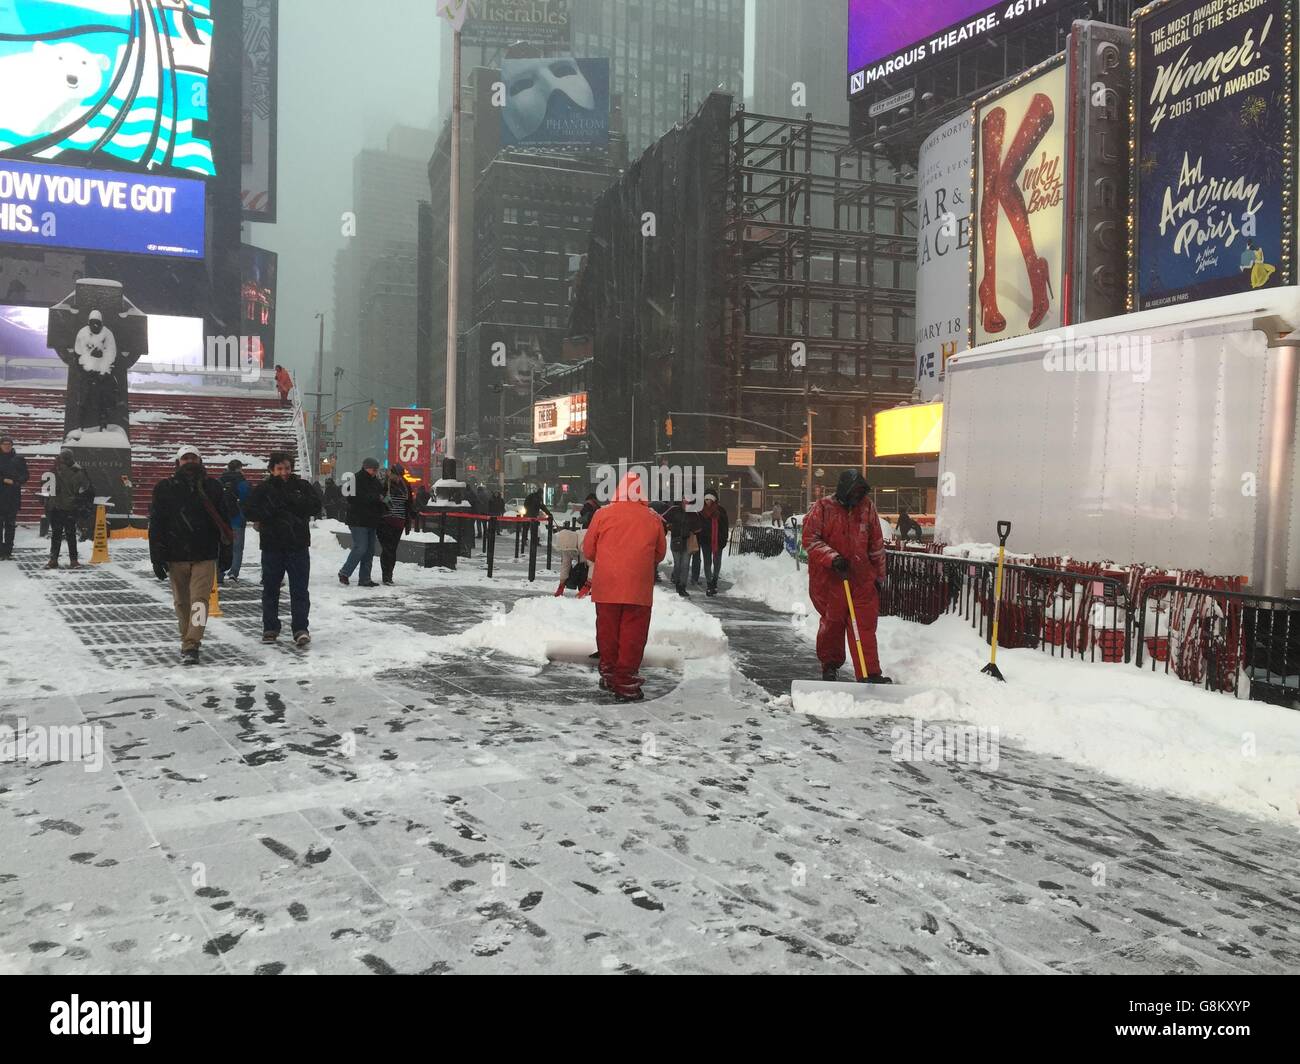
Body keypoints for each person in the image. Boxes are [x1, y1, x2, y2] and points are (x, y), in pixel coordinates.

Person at [583, 472, 667, 703]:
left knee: (608, 630)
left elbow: (588, 550)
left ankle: (609, 673)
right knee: (633, 633)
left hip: (607, 585)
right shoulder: (653, 518)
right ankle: (626, 680)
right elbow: (660, 554)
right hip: (638, 586)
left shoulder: (602, 514)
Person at [802, 469, 890, 684]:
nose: (857, 498)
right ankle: (830, 665)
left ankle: (869, 672)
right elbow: (810, 540)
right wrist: (832, 558)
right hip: (831, 579)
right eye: (854, 493)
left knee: (864, 625)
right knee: (832, 624)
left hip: (861, 579)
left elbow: (876, 544)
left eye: (861, 493)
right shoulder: (823, 508)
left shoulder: (867, 507)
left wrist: (879, 577)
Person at [148, 446, 233, 665]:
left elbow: (223, 521)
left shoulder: (212, 487)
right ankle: (186, 637)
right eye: (185, 458)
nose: (189, 461)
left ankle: (192, 643)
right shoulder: (165, 488)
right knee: (181, 602)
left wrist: (226, 551)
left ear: (200, 460)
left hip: (204, 553)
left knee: (200, 602)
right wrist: (156, 555)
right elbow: (156, 523)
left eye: (193, 458)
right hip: (176, 554)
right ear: (178, 463)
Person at [244, 451, 321, 646]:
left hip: (298, 545)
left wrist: (296, 503)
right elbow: (249, 511)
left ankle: (301, 628)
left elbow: (316, 506)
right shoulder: (264, 489)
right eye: (279, 469)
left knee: (300, 590)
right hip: (272, 546)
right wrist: (270, 510)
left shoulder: (301, 487)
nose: (284, 472)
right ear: (272, 470)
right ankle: (270, 627)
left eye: (287, 468)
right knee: (270, 589)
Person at [339, 458, 385, 587]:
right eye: (373, 469)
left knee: (369, 550)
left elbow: (380, 496)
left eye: (376, 469)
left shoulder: (375, 481)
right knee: (361, 547)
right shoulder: (356, 479)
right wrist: (376, 498)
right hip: (358, 520)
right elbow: (353, 498)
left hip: (370, 519)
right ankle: (345, 572)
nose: (375, 471)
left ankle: (365, 578)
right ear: (366, 467)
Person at [45, 450, 92, 570]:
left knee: (68, 534)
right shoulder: (55, 469)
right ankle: (57, 559)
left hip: (68, 507)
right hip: (58, 506)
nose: (64, 460)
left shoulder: (77, 471)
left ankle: (69, 559)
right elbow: (47, 485)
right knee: (60, 534)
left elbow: (86, 488)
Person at [74, 310, 118, 432]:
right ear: (89, 323)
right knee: (83, 401)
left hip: (102, 375)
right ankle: (80, 426)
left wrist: (103, 371)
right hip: (87, 374)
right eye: (93, 323)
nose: (95, 326)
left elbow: (111, 355)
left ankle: (103, 425)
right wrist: (87, 368)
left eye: (98, 323)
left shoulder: (107, 334)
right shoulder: (82, 334)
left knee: (104, 400)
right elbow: (79, 354)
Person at [377, 463, 414, 586]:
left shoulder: (405, 485)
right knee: (387, 549)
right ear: (391, 474)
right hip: (385, 522)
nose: (398, 478)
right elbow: (377, 500)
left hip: (399, 522)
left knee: (392, 549)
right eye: (396, 475)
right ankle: (386, 576)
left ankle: (389, 574)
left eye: (400, 476)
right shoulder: (384, 484)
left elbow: (408, 504)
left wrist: (412, 515)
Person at [661, 496, 703, 597]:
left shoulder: (693, 513)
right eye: (685, 500)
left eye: (688, 500)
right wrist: (669, 527)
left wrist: (692, 530)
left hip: (687, 542)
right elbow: (662, 519)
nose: (686, 502)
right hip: (676, 541)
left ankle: (682, 586)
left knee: (685, 565)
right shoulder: (674, 510)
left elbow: (699, 528)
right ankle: (676, 581)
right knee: (678, 564)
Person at [219, 460, 251, 583]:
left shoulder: (219, 481)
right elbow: (247, 501)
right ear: (239, 468)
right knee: (237, 549)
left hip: (221, 520)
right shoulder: (243, 483)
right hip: (237, 519)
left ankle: (219, 573)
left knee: (221, 548)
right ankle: (233, 572)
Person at [0, 435, 29, 560]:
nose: (7, 446)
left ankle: (8, 551)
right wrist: (3, 479)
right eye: (4, 444)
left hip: (13, 497)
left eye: (9, 444)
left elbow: (26, 475)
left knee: (11, 526)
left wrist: (17, 482)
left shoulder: (19, 459)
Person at [697, 490, 730, 597]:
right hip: (705, 541)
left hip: (718, 541)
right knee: (707, 562)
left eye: (710, 499)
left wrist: (723, 539)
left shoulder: (721, 511)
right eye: (706, 499)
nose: (708, 501)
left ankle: (715, 580)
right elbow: (698, 526)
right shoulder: (701, 511)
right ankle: (709, 584)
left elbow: (725, 527)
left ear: (714, 499)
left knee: (717, 562)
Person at [553, 519, 592, 598]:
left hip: (601, 561)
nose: (569, 553)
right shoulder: (566, 544)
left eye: (570, 551)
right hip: (584, 564)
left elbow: (594, 564)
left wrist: (588, 585)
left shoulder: (586, 541)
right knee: (577, 577)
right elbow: (565, 565)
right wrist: (561, 585)